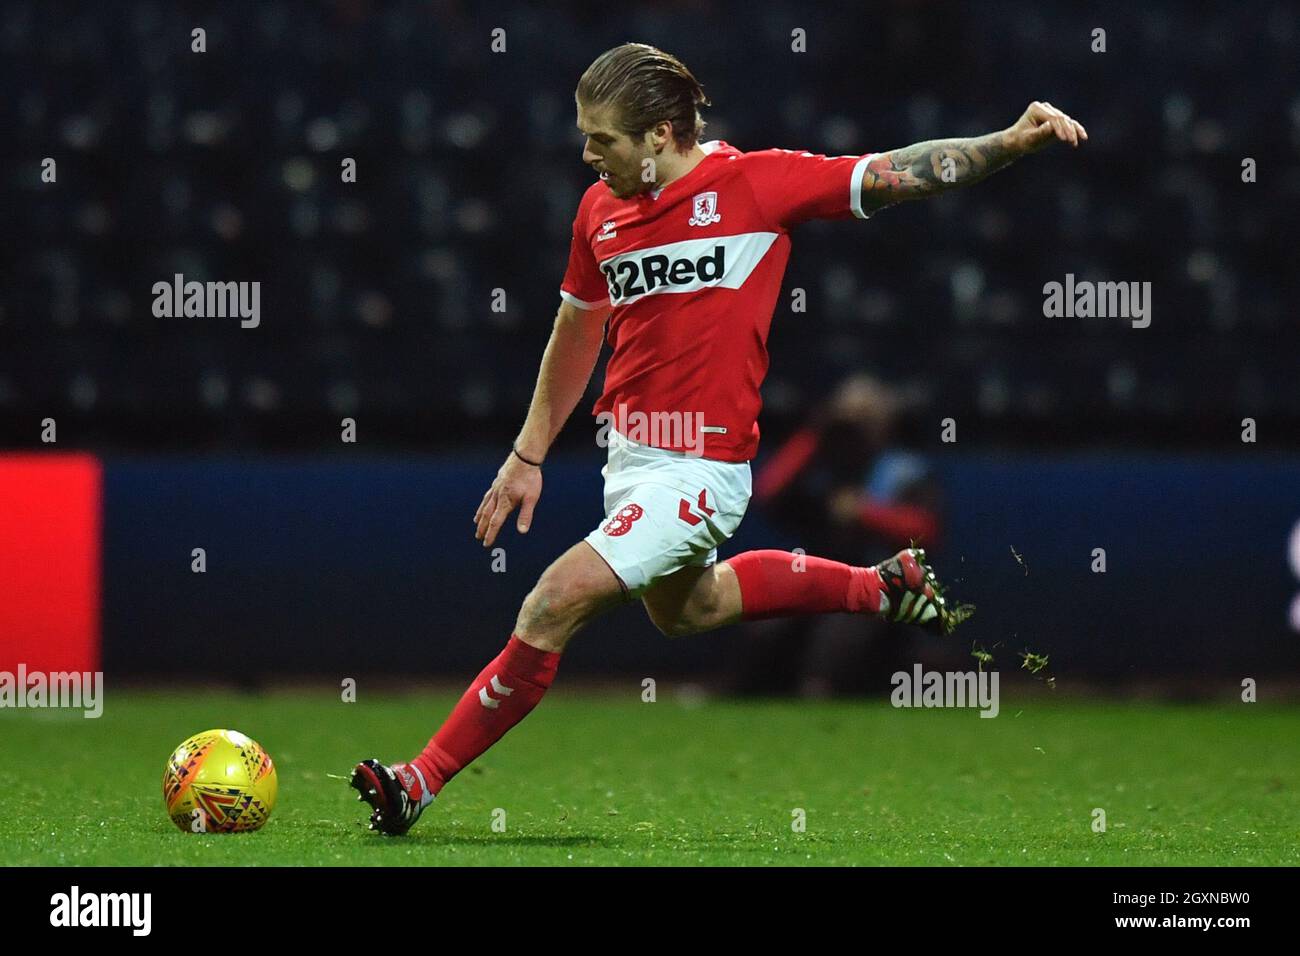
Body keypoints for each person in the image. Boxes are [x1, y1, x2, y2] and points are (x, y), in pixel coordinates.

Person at [352, 42, 1086, 834]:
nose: (587, 152)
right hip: (630, 462)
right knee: (690, 608)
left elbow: (895, 171)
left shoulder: (753, 185)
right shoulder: (598, 210)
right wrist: (528, 454)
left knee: (550, 605)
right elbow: (576, 325)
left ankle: (417, 781)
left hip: (701, 466)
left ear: (663, 133)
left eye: (603, 138)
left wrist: (1008, 144)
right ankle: (882, 587)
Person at [734, 374, 946, 697]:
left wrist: (864, 513)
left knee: (840, 635)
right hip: (818, 579)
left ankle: (820, 695)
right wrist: (816, 432)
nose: (854, 427)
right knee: (767, 623)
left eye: (864, 418)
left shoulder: (903, 471)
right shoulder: (821, 467)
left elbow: (927, 531)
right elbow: (767, 494)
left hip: (879, 586)